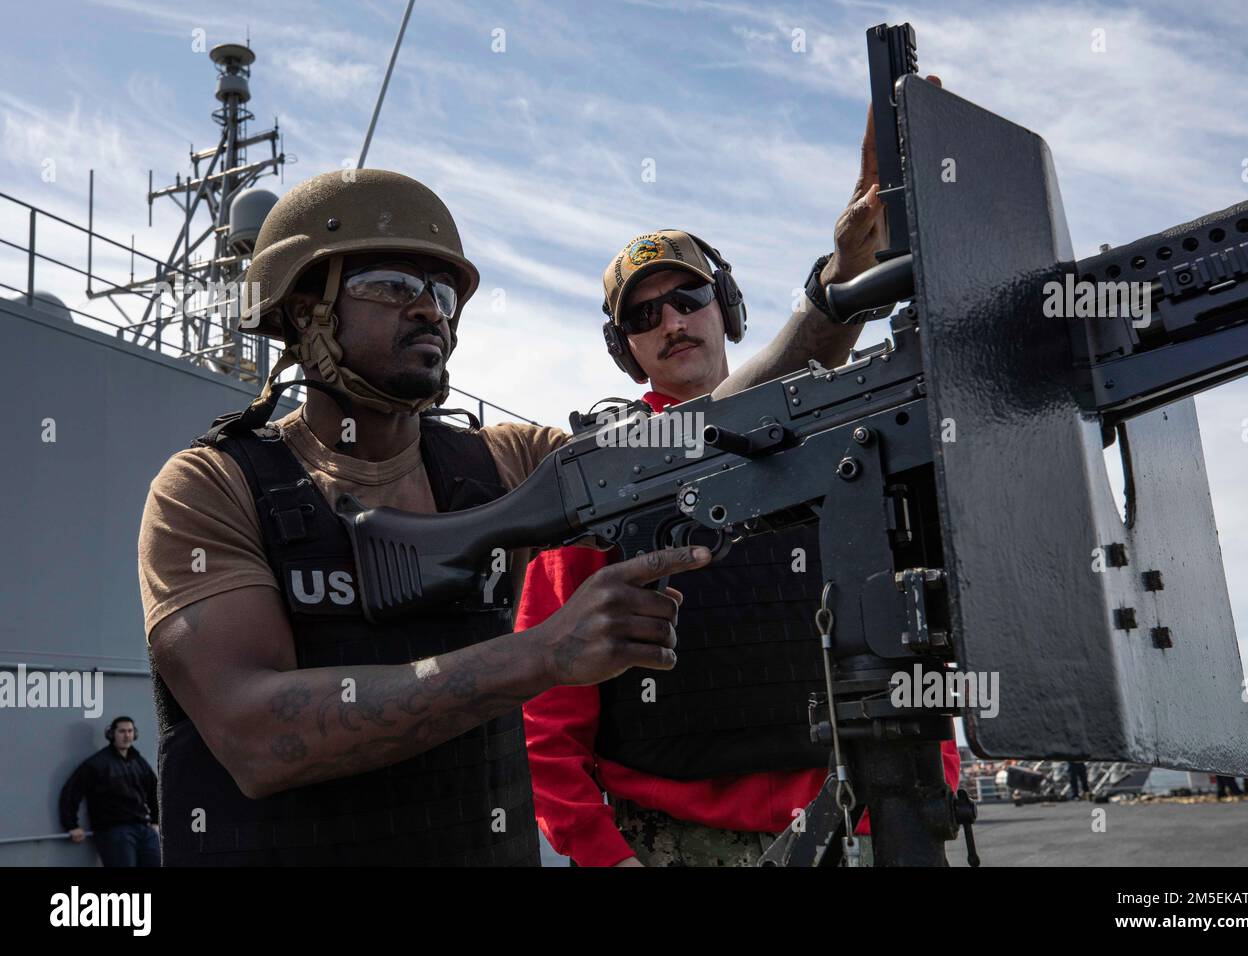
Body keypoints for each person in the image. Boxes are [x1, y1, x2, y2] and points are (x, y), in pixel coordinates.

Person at [139, 168, 869, 866]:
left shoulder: (506, 463)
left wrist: (834, 298)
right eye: (391, 286)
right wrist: (544, 654)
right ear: (307, 312)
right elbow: (256, 736)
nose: (427, 307)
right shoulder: (210, 486)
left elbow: (712, 428)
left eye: (439, 292)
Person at [517, 81, 962, 867]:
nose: (671, 322)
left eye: (687, 297)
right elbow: (548, 710)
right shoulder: (601, 488)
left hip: (860, 822)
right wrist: (604, 857)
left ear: (725, 308)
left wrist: (925, 779)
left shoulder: (844, 441)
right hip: (671, 843)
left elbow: (901, 622)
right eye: (642, 316)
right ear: (625, 348)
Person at [59, 716, 160, 867]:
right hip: (114, 831)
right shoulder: (97, 764)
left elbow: (155, 791)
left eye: (130, 731)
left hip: (144, 829)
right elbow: (71, 792)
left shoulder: (138, 761)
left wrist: (156, 820)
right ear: (112, 734)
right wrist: (71, 825)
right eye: (122, 731)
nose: (127, 735)